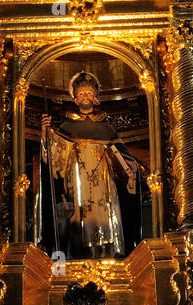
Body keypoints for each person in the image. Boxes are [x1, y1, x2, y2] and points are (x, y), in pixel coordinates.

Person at [37, 72, 143, 260]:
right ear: (76, 100)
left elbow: (122, 156)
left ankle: (109, 257)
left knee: (106, 221)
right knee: (78, 225)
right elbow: (54, 159)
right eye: (82, 94)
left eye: (89, 94)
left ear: (96, 99)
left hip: (104, 187)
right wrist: (46, 133)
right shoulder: (66, 127)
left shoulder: (107, 129)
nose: (85, 97)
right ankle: (76, 258)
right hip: (77, 186)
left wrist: (130, 170)